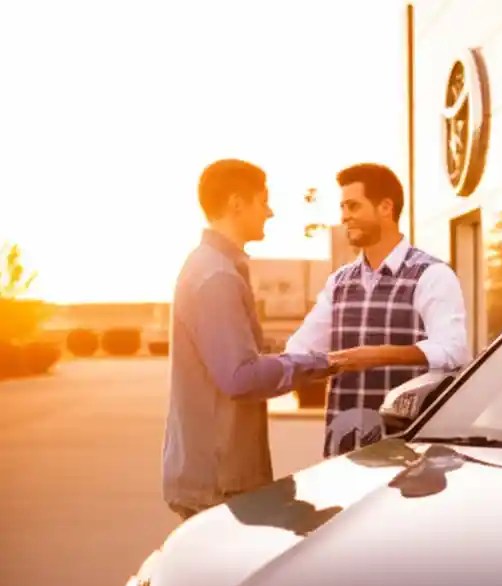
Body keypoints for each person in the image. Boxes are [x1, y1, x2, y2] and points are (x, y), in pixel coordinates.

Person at [162, 159, 332, 520]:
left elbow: (232, 357)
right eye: (263, 200)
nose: (270, 212)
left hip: (214, 476)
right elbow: (239, 377)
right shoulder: (217, 277)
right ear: (237, 204)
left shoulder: (212, 267)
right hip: (218, 483)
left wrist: (284, 354)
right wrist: (324, 364)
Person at [286, 163, 470, 457]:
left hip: (409, 451)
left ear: (385, 207)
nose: (344, 216)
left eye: (353, 206)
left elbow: (453, 352)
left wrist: (374, 355)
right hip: (345, 453)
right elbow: (299, 350)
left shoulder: (431, 274)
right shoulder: (339, 282)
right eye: (343, 207)